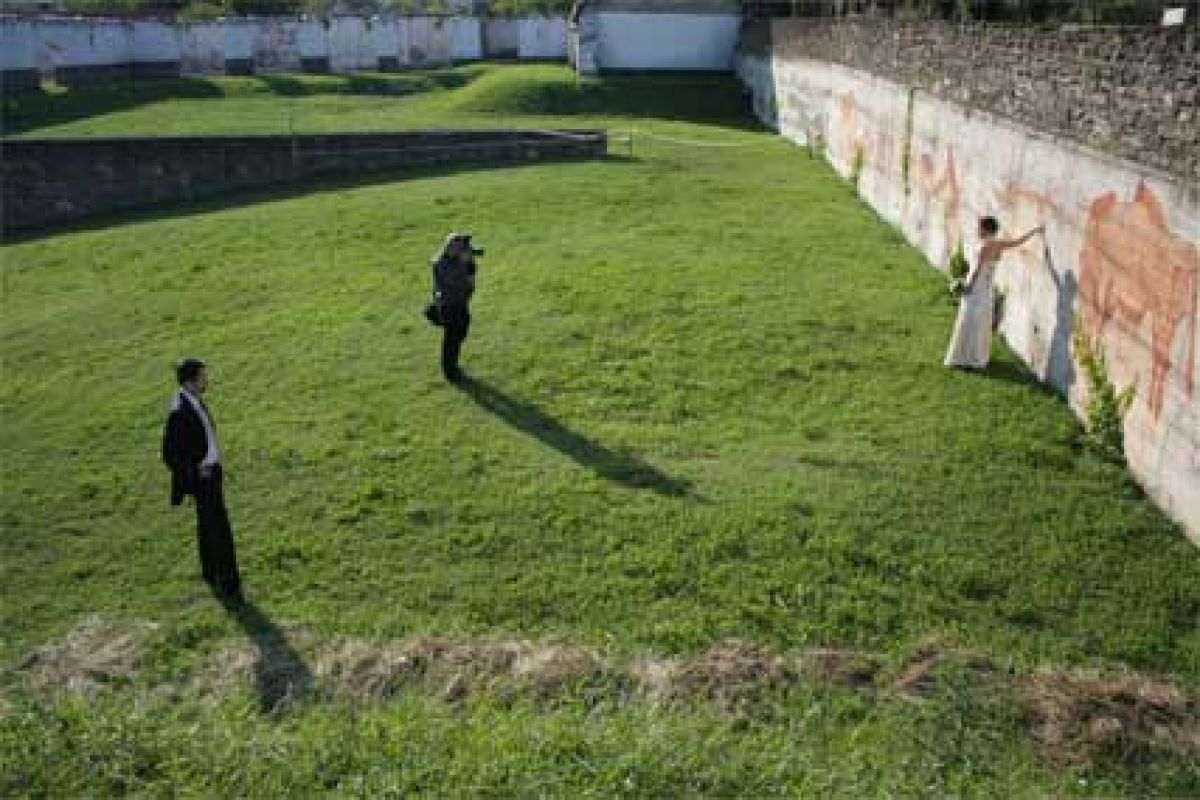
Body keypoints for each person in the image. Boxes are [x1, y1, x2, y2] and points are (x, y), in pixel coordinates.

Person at [161, 357, 243, 604]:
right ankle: (230, 586)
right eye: (202, 377)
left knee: (208, 527)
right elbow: (169, 454)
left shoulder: (191, 401)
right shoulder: (179, 411)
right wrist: (195, 472)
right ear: (190, 381)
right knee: (220, 531)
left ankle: (211, 573)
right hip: (203, 478)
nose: (206, 380)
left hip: (210, 473)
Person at [944, 216, 1044, 370]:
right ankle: (978, 356)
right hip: (987, 289)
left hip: (976, 287)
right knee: (981, 321)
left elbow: (976, 270)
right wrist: (1035, 231)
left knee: (969, 320)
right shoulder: (999, 244)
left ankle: (964, 357)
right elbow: (1018, 241)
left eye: (979, 227)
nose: (977, 230)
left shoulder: (984, 246)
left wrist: (966, 287)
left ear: (985, 228)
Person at [431, 232, 484, 383]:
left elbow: (470, 276)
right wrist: (467, 264)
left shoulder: (456, 258)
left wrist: (469, 263)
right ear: (450, 248)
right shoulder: (441, 263)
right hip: (448, 305)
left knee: (462, 328)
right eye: (460, 248)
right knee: (452, 338)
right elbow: (458, 282)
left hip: (460, 303)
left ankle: (452, 364)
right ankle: (450, 372)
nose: (462, 251)